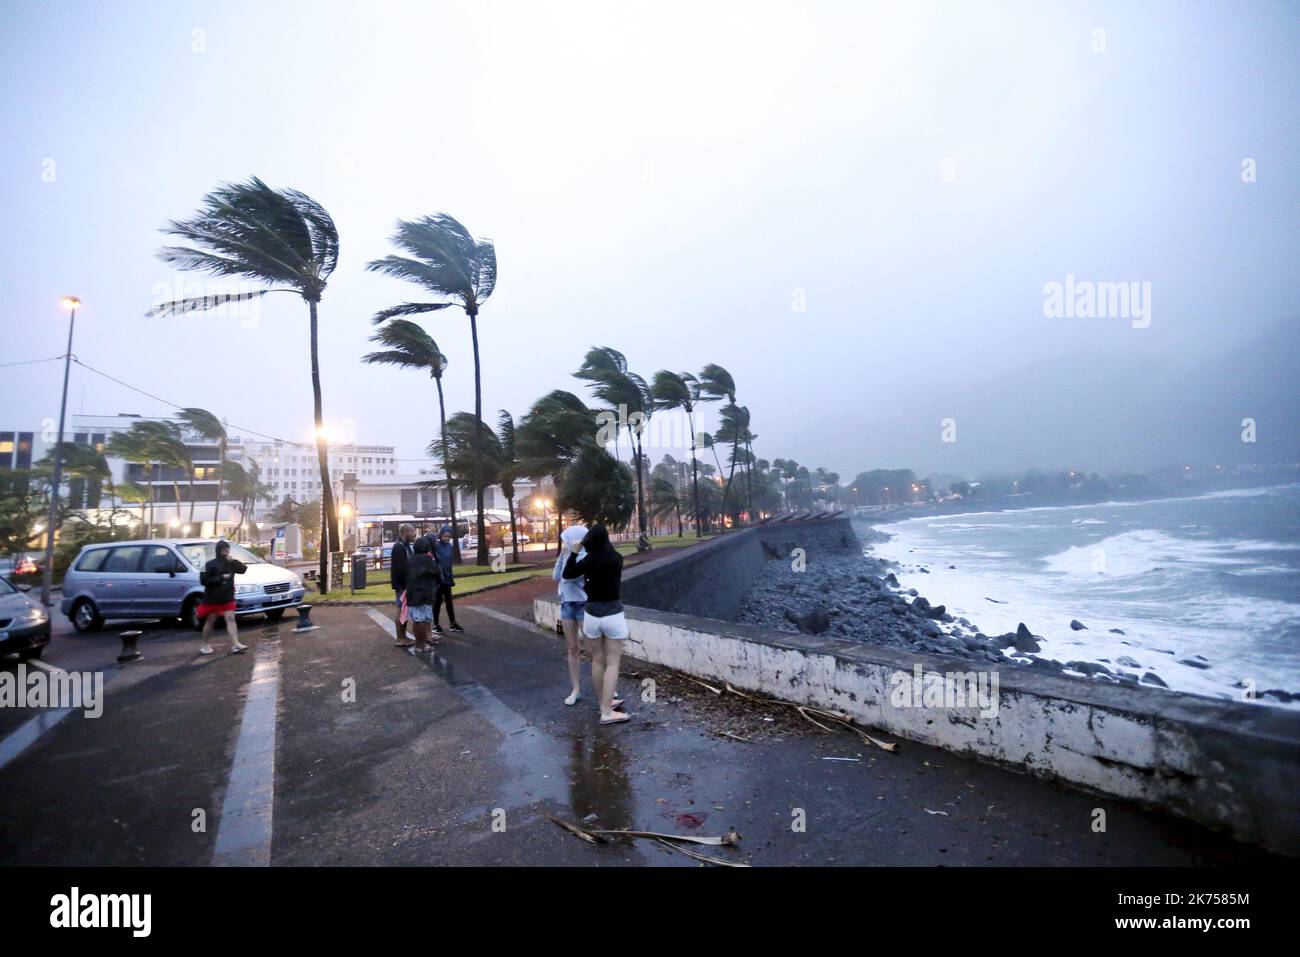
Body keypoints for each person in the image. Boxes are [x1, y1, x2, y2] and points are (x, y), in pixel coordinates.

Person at [562, 524, 629, 724]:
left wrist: (574, 553)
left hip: (591, 615)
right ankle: (607, 712)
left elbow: (567, 574)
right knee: (613, 663)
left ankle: (604, 705)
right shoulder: (617, 559)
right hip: (613, 615)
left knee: (597, 660)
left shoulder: (587, 560)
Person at [554, 524, 588, 706]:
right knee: (572, 648)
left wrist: (570, 555)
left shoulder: (584, 557)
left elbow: (568, 577)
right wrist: (562, 556)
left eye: (565, 540)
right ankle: (576, 689)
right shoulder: (567, 556)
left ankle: (608, 687)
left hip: (583, 605)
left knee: (592, 649)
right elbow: (555, 576)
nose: (563, 543)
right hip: (567, 605)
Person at [198, 540, 248, 655]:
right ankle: (205, 644)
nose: (226, 551)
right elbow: (203, 580)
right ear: (218, 550)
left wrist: (234, 561)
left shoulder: (231, 563)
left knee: (230, 619)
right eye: (224, 549)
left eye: (228, 549)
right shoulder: (209, 564)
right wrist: (221, 578)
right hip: (213, 597)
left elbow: (243, 570)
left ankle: (236, 644)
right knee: (211, 620)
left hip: (228, 596)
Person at [404, 536, 439, 651]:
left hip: (412, 593)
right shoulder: (428, 559)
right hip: (424, 593)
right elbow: (437, 572)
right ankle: (422, 644)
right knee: (423, 620)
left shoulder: (410, 559)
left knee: (416, 620)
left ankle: (419, 644)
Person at [432, 524, 463, 635]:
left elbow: (449, 563)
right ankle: (435, 624)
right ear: (441, 535)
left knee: (449, 601)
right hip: (439, 579)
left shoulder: (449, 547)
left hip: (448, 578)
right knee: (437, 602)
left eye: (448, 536)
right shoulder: (436, 546)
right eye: (445, 536)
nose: (447, 538)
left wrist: (450, 576)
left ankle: (452, 623)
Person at [389, 524, 417, 647]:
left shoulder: (403, 546)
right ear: (407, 533)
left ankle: (403, 636)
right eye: (413, 533)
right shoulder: (399, 547)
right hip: (402, 585)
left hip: (403, 584)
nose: (415, 535)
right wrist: (407, 584)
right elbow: (401, 568)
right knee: (401, 609)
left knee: (403, 610)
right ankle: (400, 638)